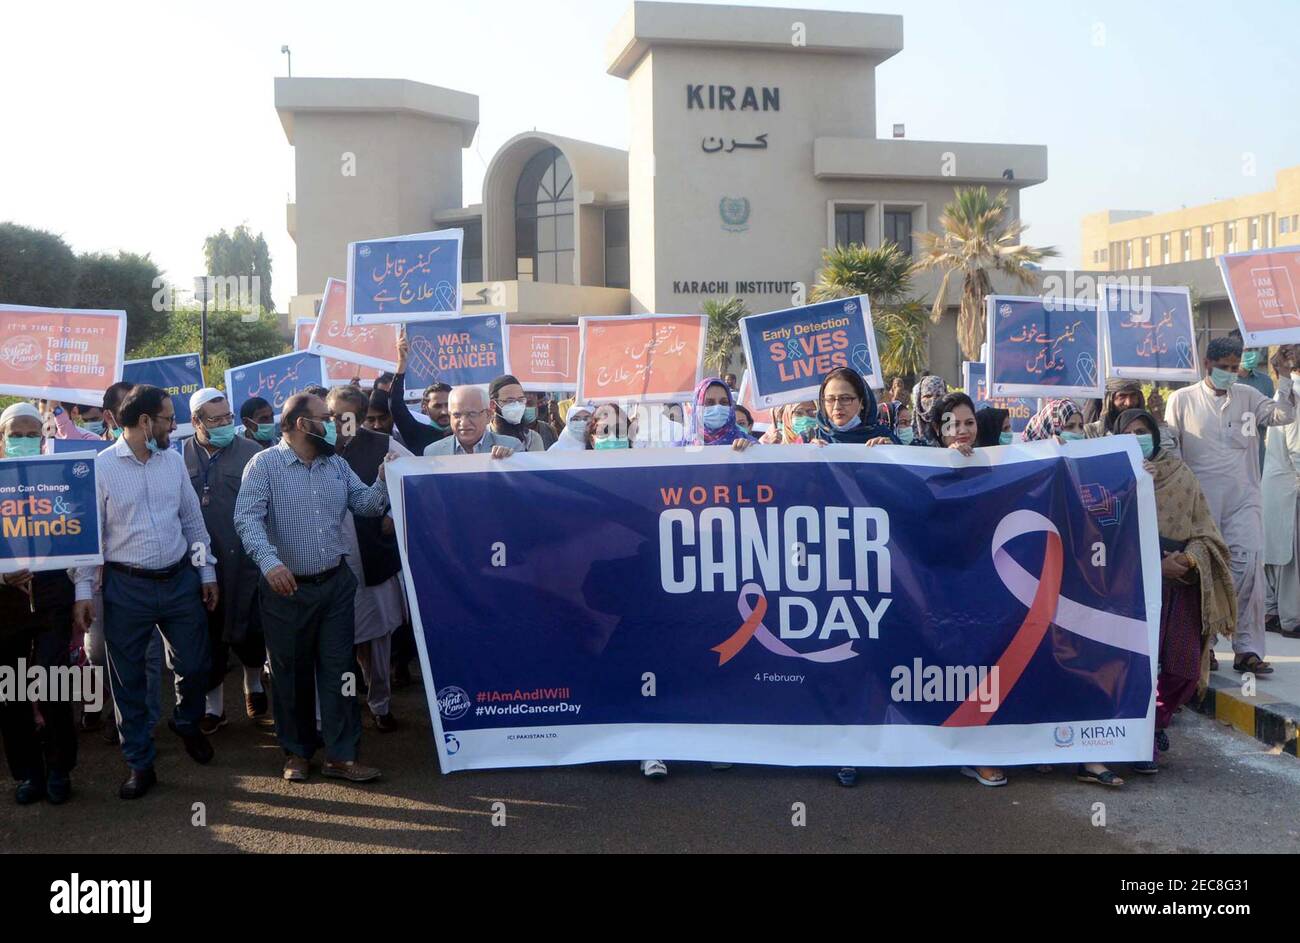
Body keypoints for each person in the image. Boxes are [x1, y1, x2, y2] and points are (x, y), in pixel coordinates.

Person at [233, 392, 395, 784]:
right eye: (328, 417)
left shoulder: (336, 465)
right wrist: (270, 564)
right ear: (303, 424)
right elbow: (246, 520)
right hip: (287, 592)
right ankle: (297, 753)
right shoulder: (264, 465)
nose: (337, 423)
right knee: (290, 675)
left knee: (339, 672)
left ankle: (341, 756)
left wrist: (384, 478)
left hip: (336, 586)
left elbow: (368, 505)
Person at [71, 385, 219, 800]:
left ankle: (187, 721)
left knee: (195, 664)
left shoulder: (172, 462)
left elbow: (192, 521)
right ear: (143, 422)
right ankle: (139, 761)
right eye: (169, 418)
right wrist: (84, 591)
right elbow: (90, 538)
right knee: (129, 680)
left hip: (179, 582)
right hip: (126, 588)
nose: (175, 425)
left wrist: (206, 572)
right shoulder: (101, 468)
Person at [1114, 409, 1237, 776]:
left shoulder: (1182, 476)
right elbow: (1106, 540)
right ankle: (1143, 742)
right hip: (1131, 589)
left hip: (1180, 587)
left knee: (1182, 669)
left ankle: (1156, 722)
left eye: (1143, 431)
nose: (1138, 438)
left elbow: (1207, 532)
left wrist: (1189, 559)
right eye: (1129, 432)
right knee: (1137, 670)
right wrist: (1153, 564)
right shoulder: (1111, 478)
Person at [1165, 337, 1297, 675]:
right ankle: (1204, 645)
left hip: (1244, 500)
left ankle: (1247, 650)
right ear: (1207, 364)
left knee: (1248, 569)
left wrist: (1283, 374)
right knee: (1203, 573)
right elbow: (1173, 454)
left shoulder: (1249, 396)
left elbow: (1282, 414)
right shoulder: (1182, 400)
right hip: (1200, 506)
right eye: (1222, 367)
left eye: (1233, 367)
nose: (1228, 373)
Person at [0, 403, 78, 804]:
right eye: (16, 434)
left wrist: (81, 594)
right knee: (11, 692)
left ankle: (60, 768)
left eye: (32, 434)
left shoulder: (61, 479)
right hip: (5, 603)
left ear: (45, 437)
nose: (24, 441)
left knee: (53, 682)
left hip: (52, 596)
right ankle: (29, 773)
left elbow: (81, 537)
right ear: (2, 437)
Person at [183, 389, 269, 734]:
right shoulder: (179, 456)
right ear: (196, 421)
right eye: (215, 420)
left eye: (227, 418)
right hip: (202, 560)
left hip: (245, 560)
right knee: (209, 635)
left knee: (250, 630)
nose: (223, 425)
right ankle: (214, 708)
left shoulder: (252, 453)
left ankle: (254, 683)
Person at [328, 386, 412, 732]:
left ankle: (380, 704)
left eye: (343, 416)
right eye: (330, 415)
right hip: (330, 563)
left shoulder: (382, 445)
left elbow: (415, 478)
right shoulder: (315, 445)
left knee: (377, 641)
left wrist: (393, 511)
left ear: (361, 418)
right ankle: (347, 704)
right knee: (339, 642)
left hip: (371, 559)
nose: (335, 422)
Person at [1261, 347, 1300, 640]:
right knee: (1291, 560)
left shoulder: (1283, 394)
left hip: (1278, 484)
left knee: (1278, 556)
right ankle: (1292, 620)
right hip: (1291, 486)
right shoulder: (1295, 395)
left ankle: (1274, 613)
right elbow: (1297, 449)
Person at [1084, 378, 1180, 456]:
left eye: (1133, 396)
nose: (1129, 403)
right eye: (1122, 396)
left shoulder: (1148, 429)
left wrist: (1158, 418)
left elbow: (1170, 458)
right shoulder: (1092, 432)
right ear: (1109, 400)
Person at [425, 386, 521, 457]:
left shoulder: (511, 446)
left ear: (488, 415)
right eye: (457, 415)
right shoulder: (433, 453)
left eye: (472, 414)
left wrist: (509, 461)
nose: (464, 423)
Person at [814, 368, 896, 448]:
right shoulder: (811, 437)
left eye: (845, 399)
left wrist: (891, 452)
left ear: (862, 402)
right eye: (830, 399)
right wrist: (807, 453)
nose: (837, 407)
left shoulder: (883, 436)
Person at [1232, 329, 1275, 472]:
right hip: (1230, 457)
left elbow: (1272, 417)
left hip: (1257, 456)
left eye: (1255, 349)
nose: (1253, 354)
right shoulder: (1224, 383)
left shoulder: (1265, 382)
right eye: (1248, 350)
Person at [681, 378, 757, 449]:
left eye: (724, 402)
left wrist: (752, 452)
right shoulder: (681, 447)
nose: (717, 407)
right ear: (697, 407)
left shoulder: (749, 443)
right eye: (709, 403)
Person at [488, 375, 546, 451]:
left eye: (521, 400)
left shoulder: (532, 439)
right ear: (493, 405)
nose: (517, 406)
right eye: (510, 401)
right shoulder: (481, 437)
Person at [927, 391, 980, 456]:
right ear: (937, 428)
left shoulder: (989, 458)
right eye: (954, 425)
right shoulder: (923, 460)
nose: (963, 431)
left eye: (969, 423)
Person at [911, 374, 947, 445]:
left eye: (939, 396)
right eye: (928, 396)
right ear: (918, 400)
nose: (933, 401)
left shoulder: (955, 428)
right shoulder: (908, 435)